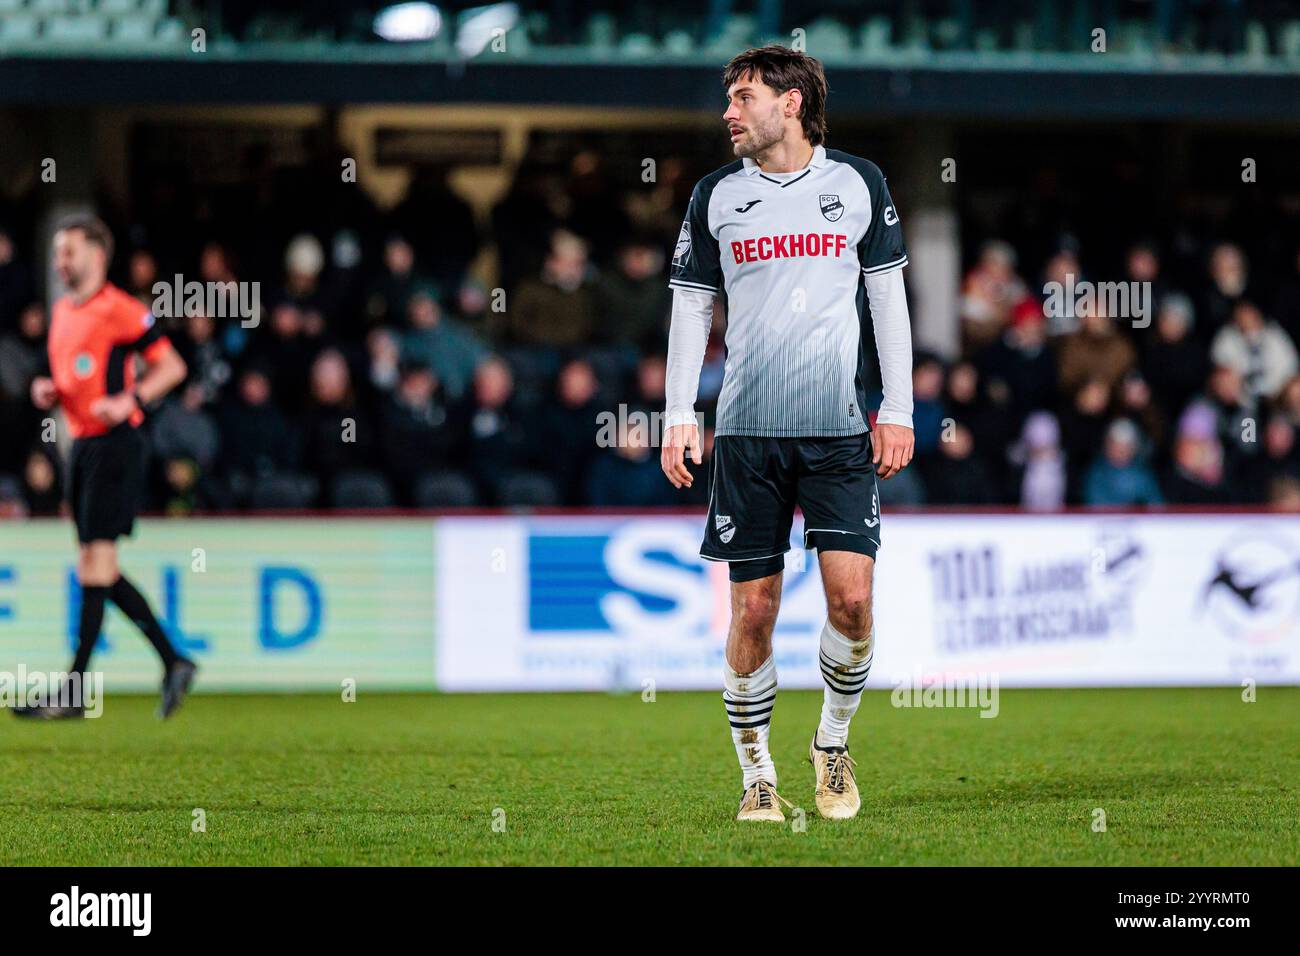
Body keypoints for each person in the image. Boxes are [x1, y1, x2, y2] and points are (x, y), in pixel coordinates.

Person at [660, 46, 914, 823]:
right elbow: (690, 307)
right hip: (746, 436)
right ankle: (758, 776)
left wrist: (898, 406)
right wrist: (677, 413)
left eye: (742, 97)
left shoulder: (859, 184)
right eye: (728, 99)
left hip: (838, 433)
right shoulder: (714, 196)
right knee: (753, 613)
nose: (728, 112)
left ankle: (831, 745)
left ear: (791, 103)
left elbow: (888, 304)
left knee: (853, 604)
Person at [18, 215, 195, 720]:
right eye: (57, 252)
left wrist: (130, 399)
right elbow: (68, 376)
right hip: (84, 447)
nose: (60, 262)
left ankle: (76, 687)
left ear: (97, 255)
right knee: (98, 567)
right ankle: (173, 659)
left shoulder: (121, 310)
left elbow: (173, 367)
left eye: (68, 251)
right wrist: (47, 390)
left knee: (95, 562)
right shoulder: (63, 313)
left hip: (118, 444)